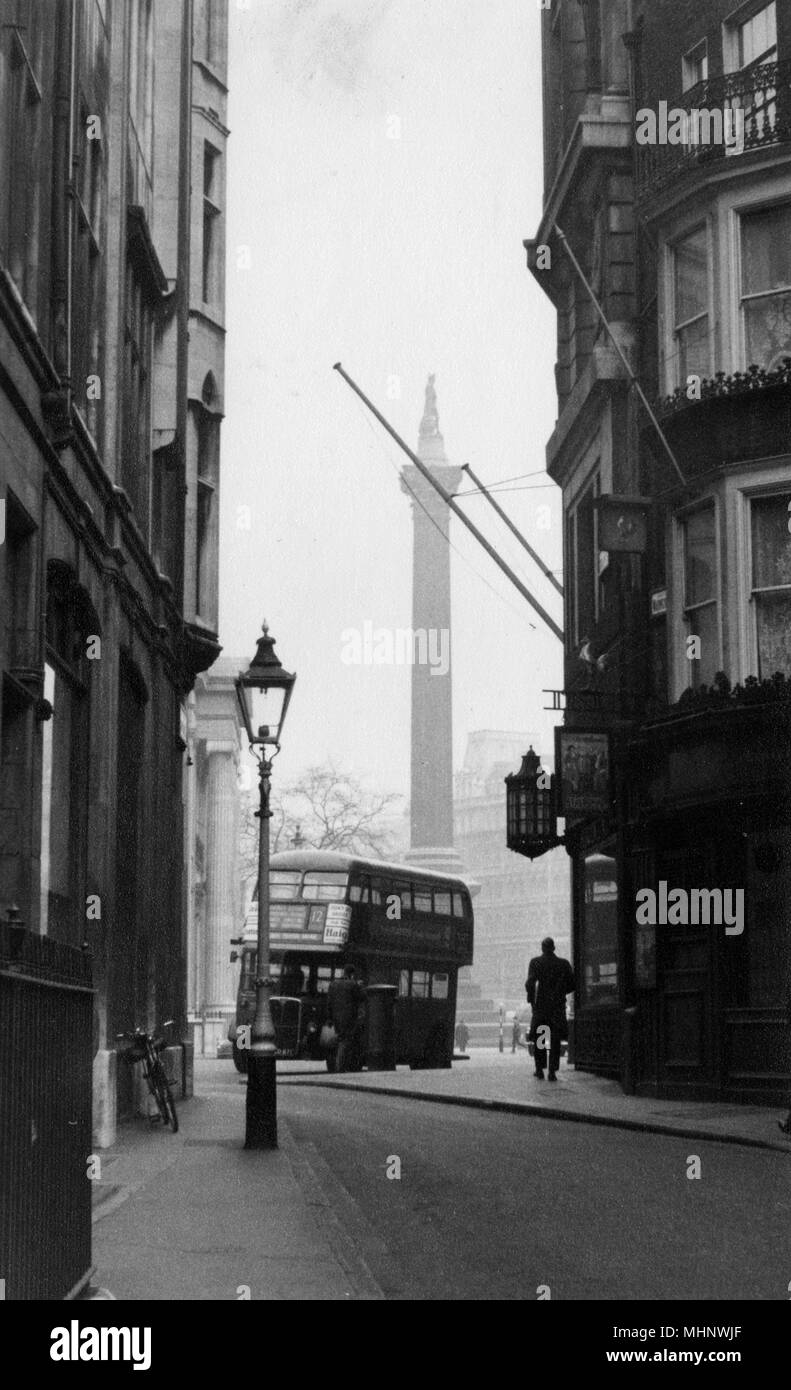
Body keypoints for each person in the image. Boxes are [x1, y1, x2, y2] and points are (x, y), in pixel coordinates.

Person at [526, 937, 574, 1082]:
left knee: (540, 1038)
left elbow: (530, 983)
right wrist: (560, 994)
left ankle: (540, 1069)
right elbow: (572, 984)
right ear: (553, 948)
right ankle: (552, 1072)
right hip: (557, 1008)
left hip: (541, 1007)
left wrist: (532, 1000)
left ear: (542, 948)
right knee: (555, 1040)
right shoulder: (563, 964)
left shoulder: (536, 962)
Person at [327, 965, 366, 1072]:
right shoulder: (353, 984)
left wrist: (330, 1018)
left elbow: (329, 1003)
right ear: (352, 974)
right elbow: (362, 997)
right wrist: (360, 986)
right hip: (349, 1018)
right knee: (346, 1041)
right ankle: (340, 1067)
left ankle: (337, 1065)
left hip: (336, 1018)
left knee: (341, 1039)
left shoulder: (333, 984)